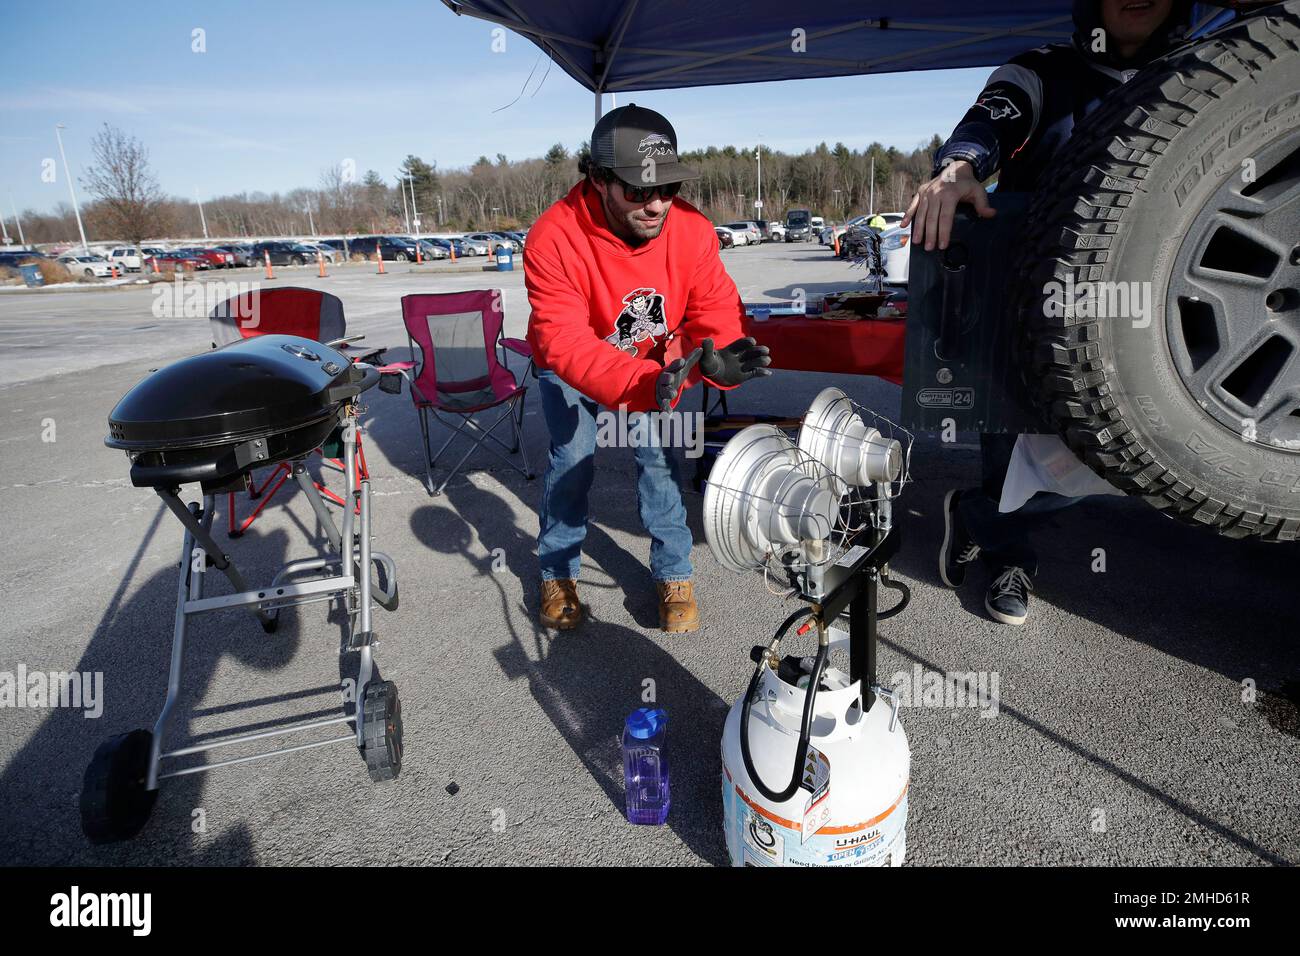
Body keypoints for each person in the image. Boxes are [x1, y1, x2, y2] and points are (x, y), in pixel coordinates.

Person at [900, 0, 1192, 626]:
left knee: (1119, 461)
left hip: (1152, 311)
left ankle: (977, 512)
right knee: (1014, 449)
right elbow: (988, 122)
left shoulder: (1201, 72)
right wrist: (957, 170)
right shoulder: (1040, 70)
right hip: (1038, 310)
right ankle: (1006, 552)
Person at [525, 103, 772, 633]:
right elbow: (562, 338)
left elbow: (712, 308)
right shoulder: (554, 235)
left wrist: (721, 356)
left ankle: (673, 574)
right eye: (638, 190)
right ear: (598, 180)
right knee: (573, 458)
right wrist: (638, 383)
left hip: (652, 362)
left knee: (659, 459)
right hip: (573, 367)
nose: (657, 203)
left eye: (668, 188)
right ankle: (557, 570)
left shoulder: (692, 230)